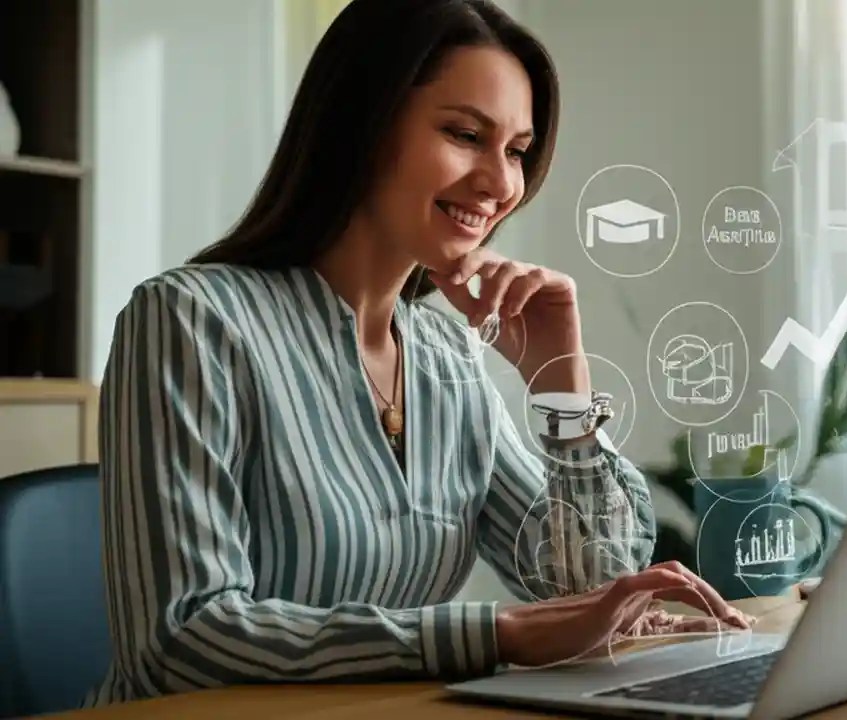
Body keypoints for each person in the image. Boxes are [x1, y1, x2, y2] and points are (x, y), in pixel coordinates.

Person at [87, 0, 749, 706]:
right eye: (466, 134)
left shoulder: (445, 356)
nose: (501, 184)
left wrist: (562, 387)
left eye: (517, 151)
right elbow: (181, 639)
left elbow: (591, 590)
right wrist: (497, 636)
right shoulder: (190, 320)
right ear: (361, 125)